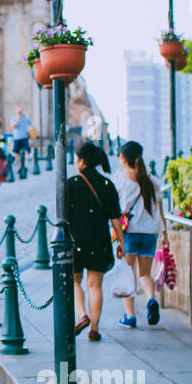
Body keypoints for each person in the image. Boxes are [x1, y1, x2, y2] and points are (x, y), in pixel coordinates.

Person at [66, 141, 125, 342]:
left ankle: (81, 313)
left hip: (76, 240)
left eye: (75, 158)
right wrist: (121, 242)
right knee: (95, 285)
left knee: (74, 281)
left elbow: (63, 216)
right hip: (100, 239)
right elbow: (115, 217)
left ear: (82, 161)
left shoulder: (71, 183)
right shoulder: (107, 184)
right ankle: (94, 328)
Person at [113, 140, 170, 329]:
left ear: (124, 158)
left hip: (129, 234)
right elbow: (160, 211)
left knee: (128, 276)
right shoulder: (152, 181)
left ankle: (130, 316)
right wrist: (164, 234)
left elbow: (116, 211)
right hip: (149, 233)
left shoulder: (120, 180)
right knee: (145, 273)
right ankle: (151, 300)